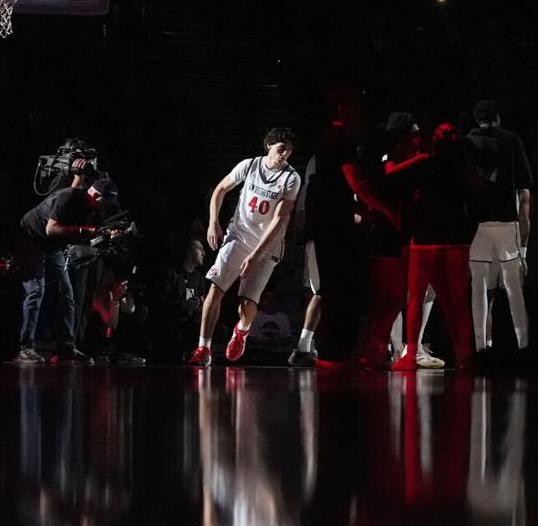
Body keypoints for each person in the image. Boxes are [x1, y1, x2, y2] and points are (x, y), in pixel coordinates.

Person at [291, 91, 391, 367]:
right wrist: (383, 209)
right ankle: (333, 351)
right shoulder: (341, 141)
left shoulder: (324, 143)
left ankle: (327, 350)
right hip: (332, 230)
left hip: (323, 227)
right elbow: (354, 183)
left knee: (330, 290)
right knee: (336, 289)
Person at [188, 128, 302, 366]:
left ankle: (242, 329)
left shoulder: (291, 178)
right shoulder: (249, 166)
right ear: (269, 146)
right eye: (282, 148)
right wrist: (213, 222)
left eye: (289, 150)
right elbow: (220, 189)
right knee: (215, 289)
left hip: (267, 246)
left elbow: (281, 220)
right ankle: (203, 348)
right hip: (238, 237)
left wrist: (254, 255)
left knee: (246, 304)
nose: (286, 154)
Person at [391, 123, 480, 372]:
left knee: (417, 298)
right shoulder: (465, 169)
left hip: (426, 240)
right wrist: (468, 238)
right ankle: (464, 355)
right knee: (457, 302)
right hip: (454, 240)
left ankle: (411, 354)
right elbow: (475, 208)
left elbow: (404, 197)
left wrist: (405, 236)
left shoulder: (424, 165)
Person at [17, 160, 117, 364]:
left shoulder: (93, 208)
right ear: (96, 196)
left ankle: (65, 348)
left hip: (51, 246)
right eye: (105, 203)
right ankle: (25, 348)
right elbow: (51, 229)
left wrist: (105, 235)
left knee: (66, 294)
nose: (106, 208)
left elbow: (89, 234)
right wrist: (84, 231)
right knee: (36, 291)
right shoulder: (69, 196)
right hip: (30, 239)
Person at [466, 100, 534, 356]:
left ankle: (481, 346)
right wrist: (525, 246)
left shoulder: (466, 143)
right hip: (506, 222)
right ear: (497, 118)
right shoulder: (511, 140)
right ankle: (523, 345)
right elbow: (524, 195)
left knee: (479, 286)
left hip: (477, 224)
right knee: (514, 286)